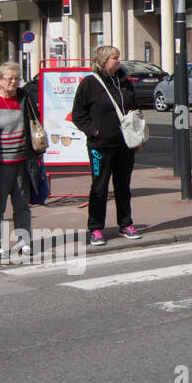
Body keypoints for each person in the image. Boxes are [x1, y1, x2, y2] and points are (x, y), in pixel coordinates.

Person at [71, 46, 143, 247]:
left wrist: (139, 139)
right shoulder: (90, 83)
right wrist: (94, 130)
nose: (119, 61)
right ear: (102, 61)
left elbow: (135, 110)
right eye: (115, 58)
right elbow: (78, 114)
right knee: (99, 187)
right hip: (100, 145)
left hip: (124, 144)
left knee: (123, 186)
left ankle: (125, 224)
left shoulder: (125, 82)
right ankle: (95, 228)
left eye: (119, 57)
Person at [0, 62, 43, 259]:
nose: (14, 82)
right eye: (9, 78)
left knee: (22, 205)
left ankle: (24, 243)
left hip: (22, 162)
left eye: (16, 78)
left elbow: (35, 123)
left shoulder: (24, 99)